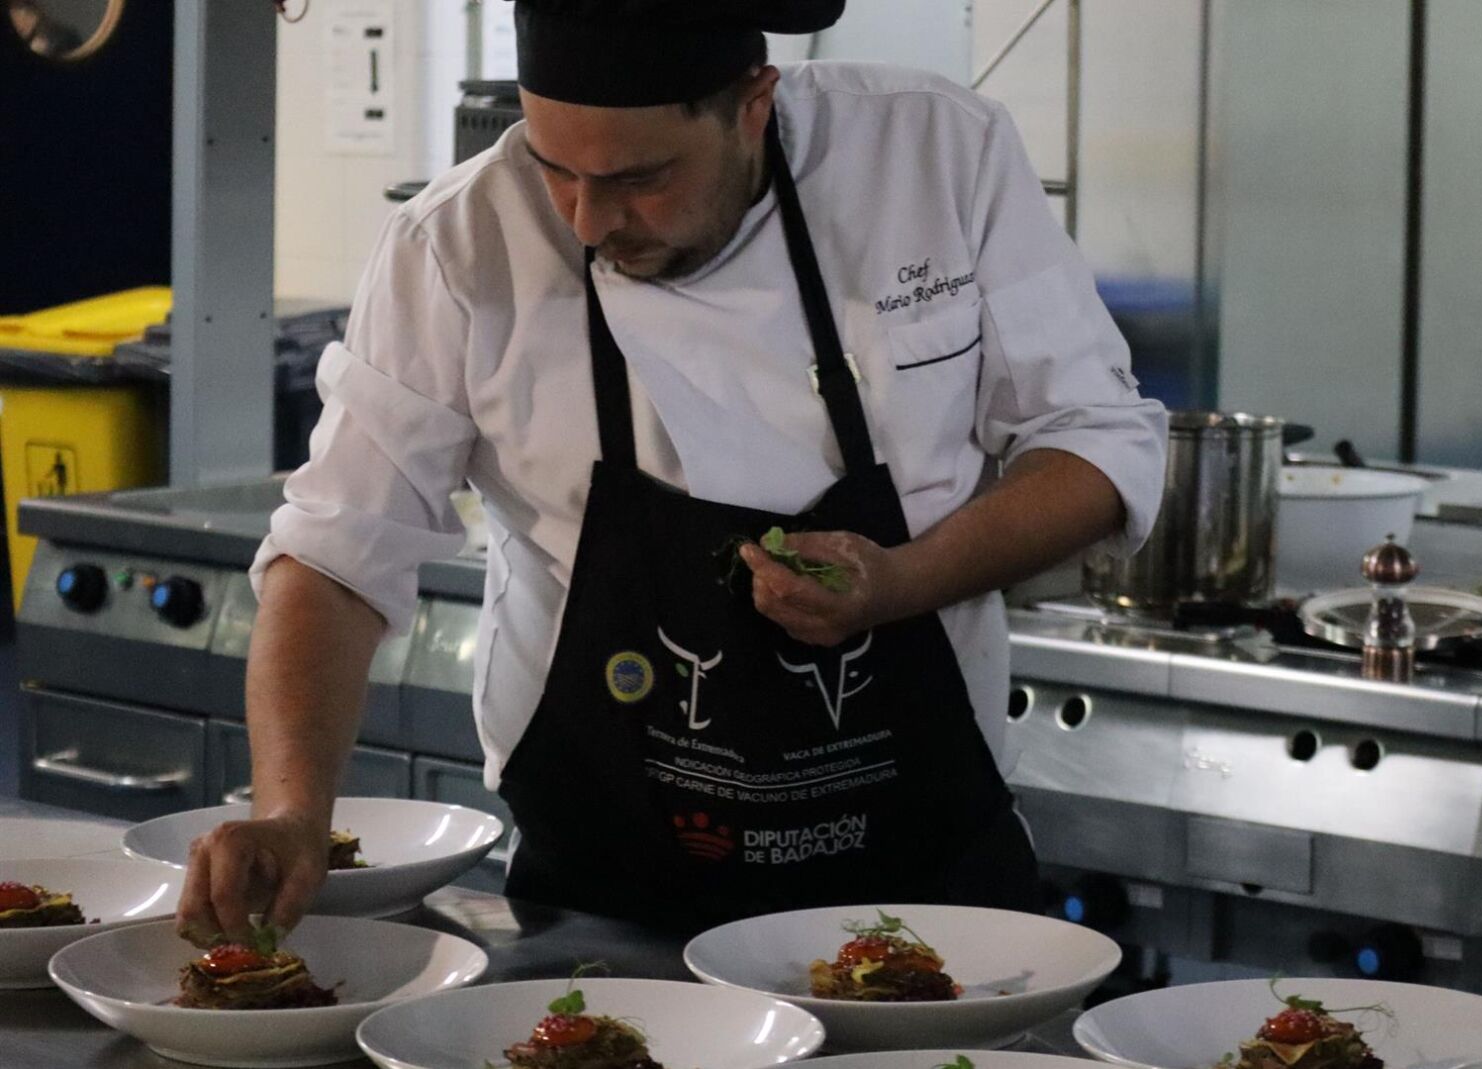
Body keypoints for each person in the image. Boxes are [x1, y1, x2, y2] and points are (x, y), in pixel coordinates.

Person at [177, 0, 1165, 939]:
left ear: (754, 104)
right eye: (555, 167)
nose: (588, 222)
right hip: (608, 897)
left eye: (640, 177)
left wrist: (903, 580)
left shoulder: (933, 156)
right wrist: (294, 810)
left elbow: (1095, 442)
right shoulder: (457, 245)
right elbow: (338, 551)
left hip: (925, 882)